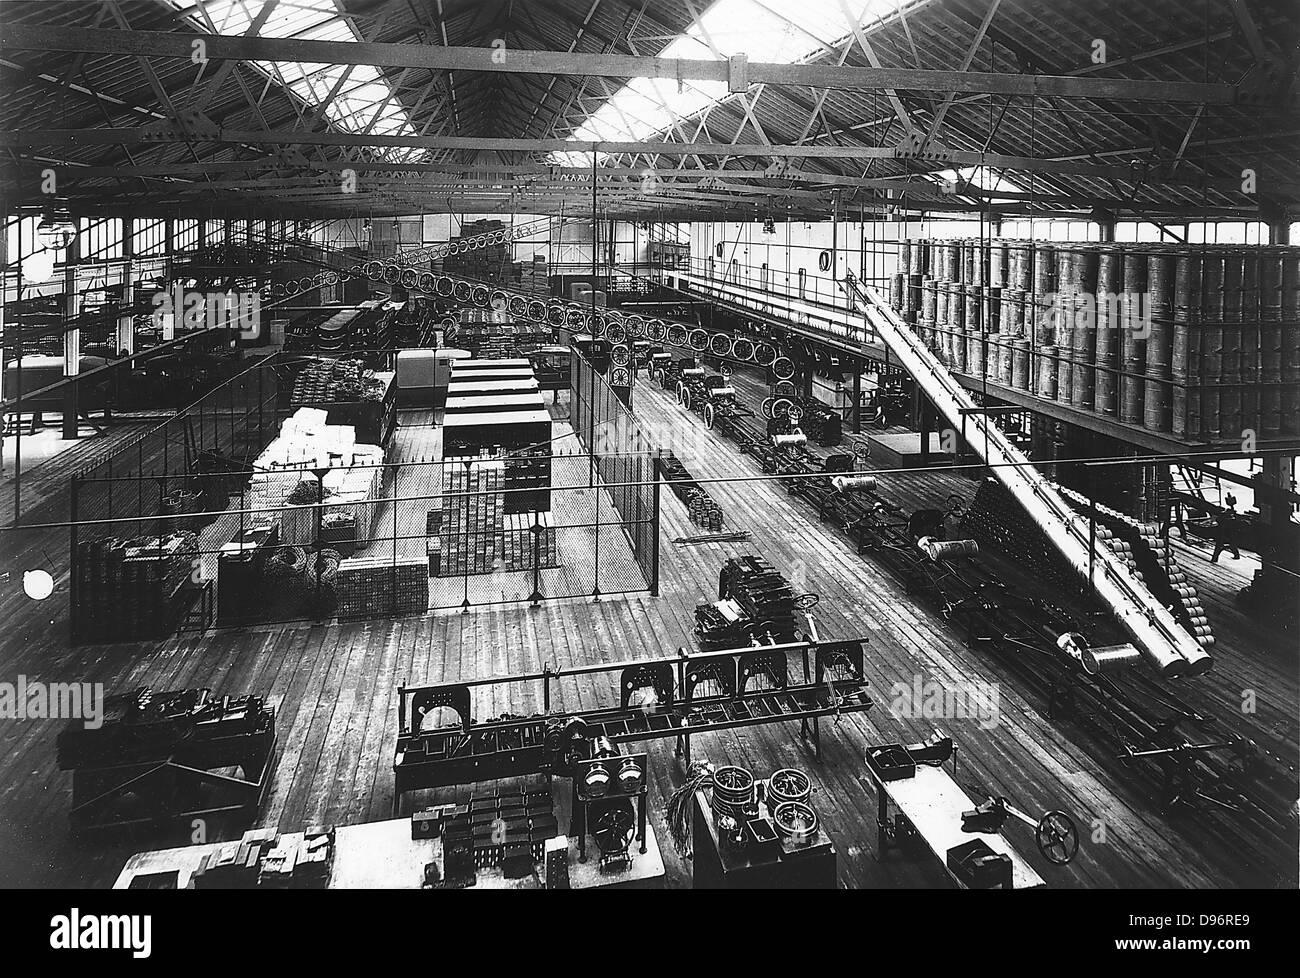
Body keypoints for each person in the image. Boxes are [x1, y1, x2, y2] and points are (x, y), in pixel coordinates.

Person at [1211, 493, 1242, 563]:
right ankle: (1236, 554)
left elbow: (1218, 520)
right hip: (1231, 531)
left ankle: (1215, 558)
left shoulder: (1225, 517)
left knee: (1220, 543)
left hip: (1225, 530)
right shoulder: (1232, 515)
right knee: (1232, 543)